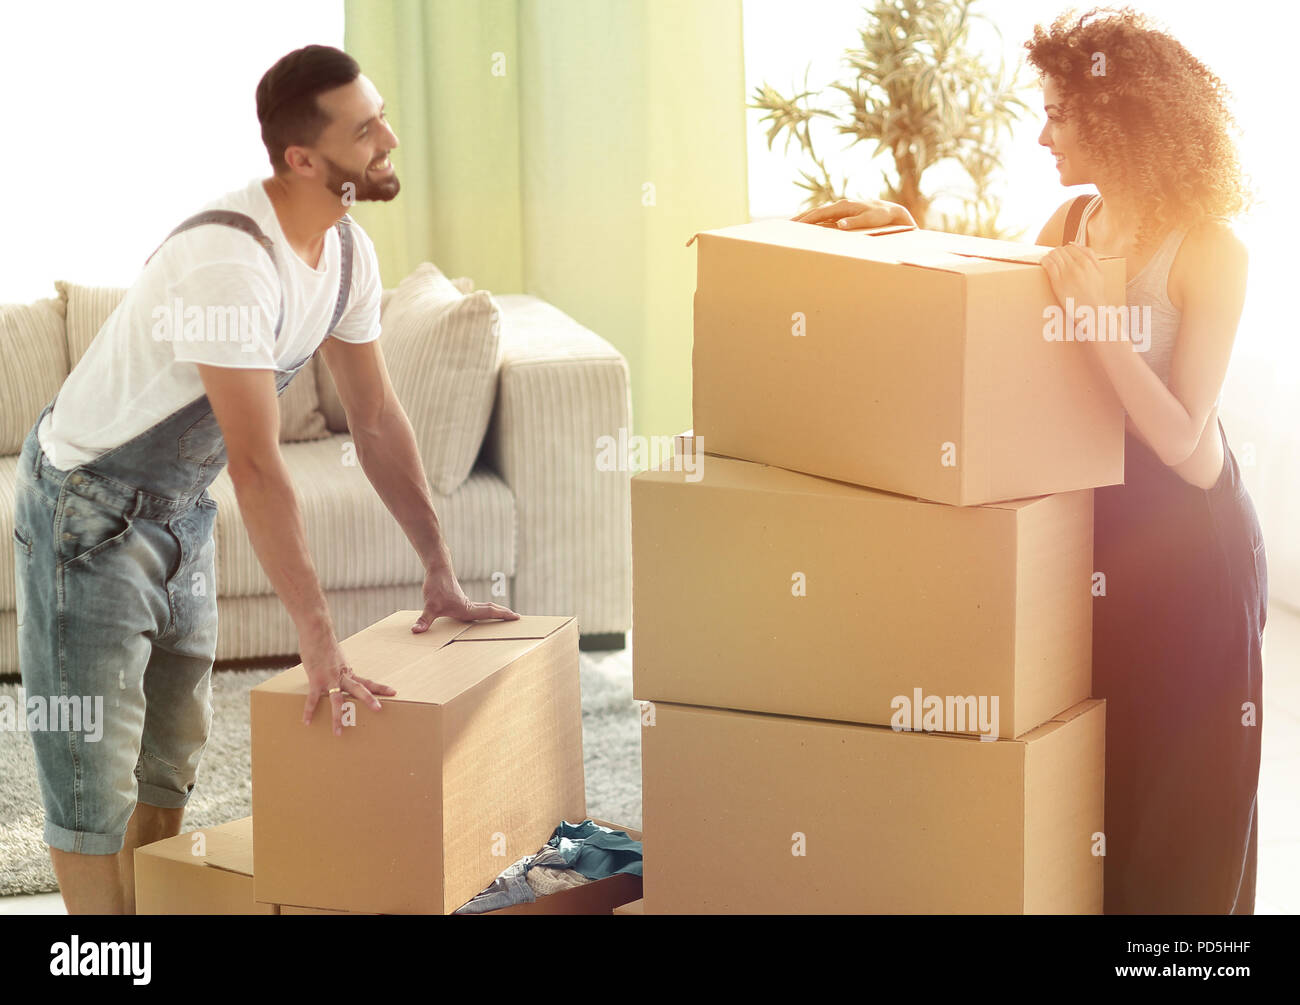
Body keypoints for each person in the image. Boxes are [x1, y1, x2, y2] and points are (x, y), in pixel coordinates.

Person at [12, 44, 518, 914]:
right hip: (86, 515)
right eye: (367, 130)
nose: (391, 138)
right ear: (303, 158)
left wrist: (439, 565)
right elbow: (255, 462)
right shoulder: (231, 261)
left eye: (384, 115)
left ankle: (149, 924)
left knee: (170, 754)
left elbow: (378, 417)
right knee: (92, 780)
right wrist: (317, 638)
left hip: (178, 509)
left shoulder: (347, 253)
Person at [793, 7, 1263, 914]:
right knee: (1106, 770)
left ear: (1118, 119)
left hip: (1193, 540)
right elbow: (1001, 299)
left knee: (1185, 793)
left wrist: (1096, 320)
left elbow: (1181, 435)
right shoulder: (1074, 218)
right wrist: (908, 229)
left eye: (1058, 112)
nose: (1041, 131)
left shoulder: (1211, 249)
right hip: (1105, 533)